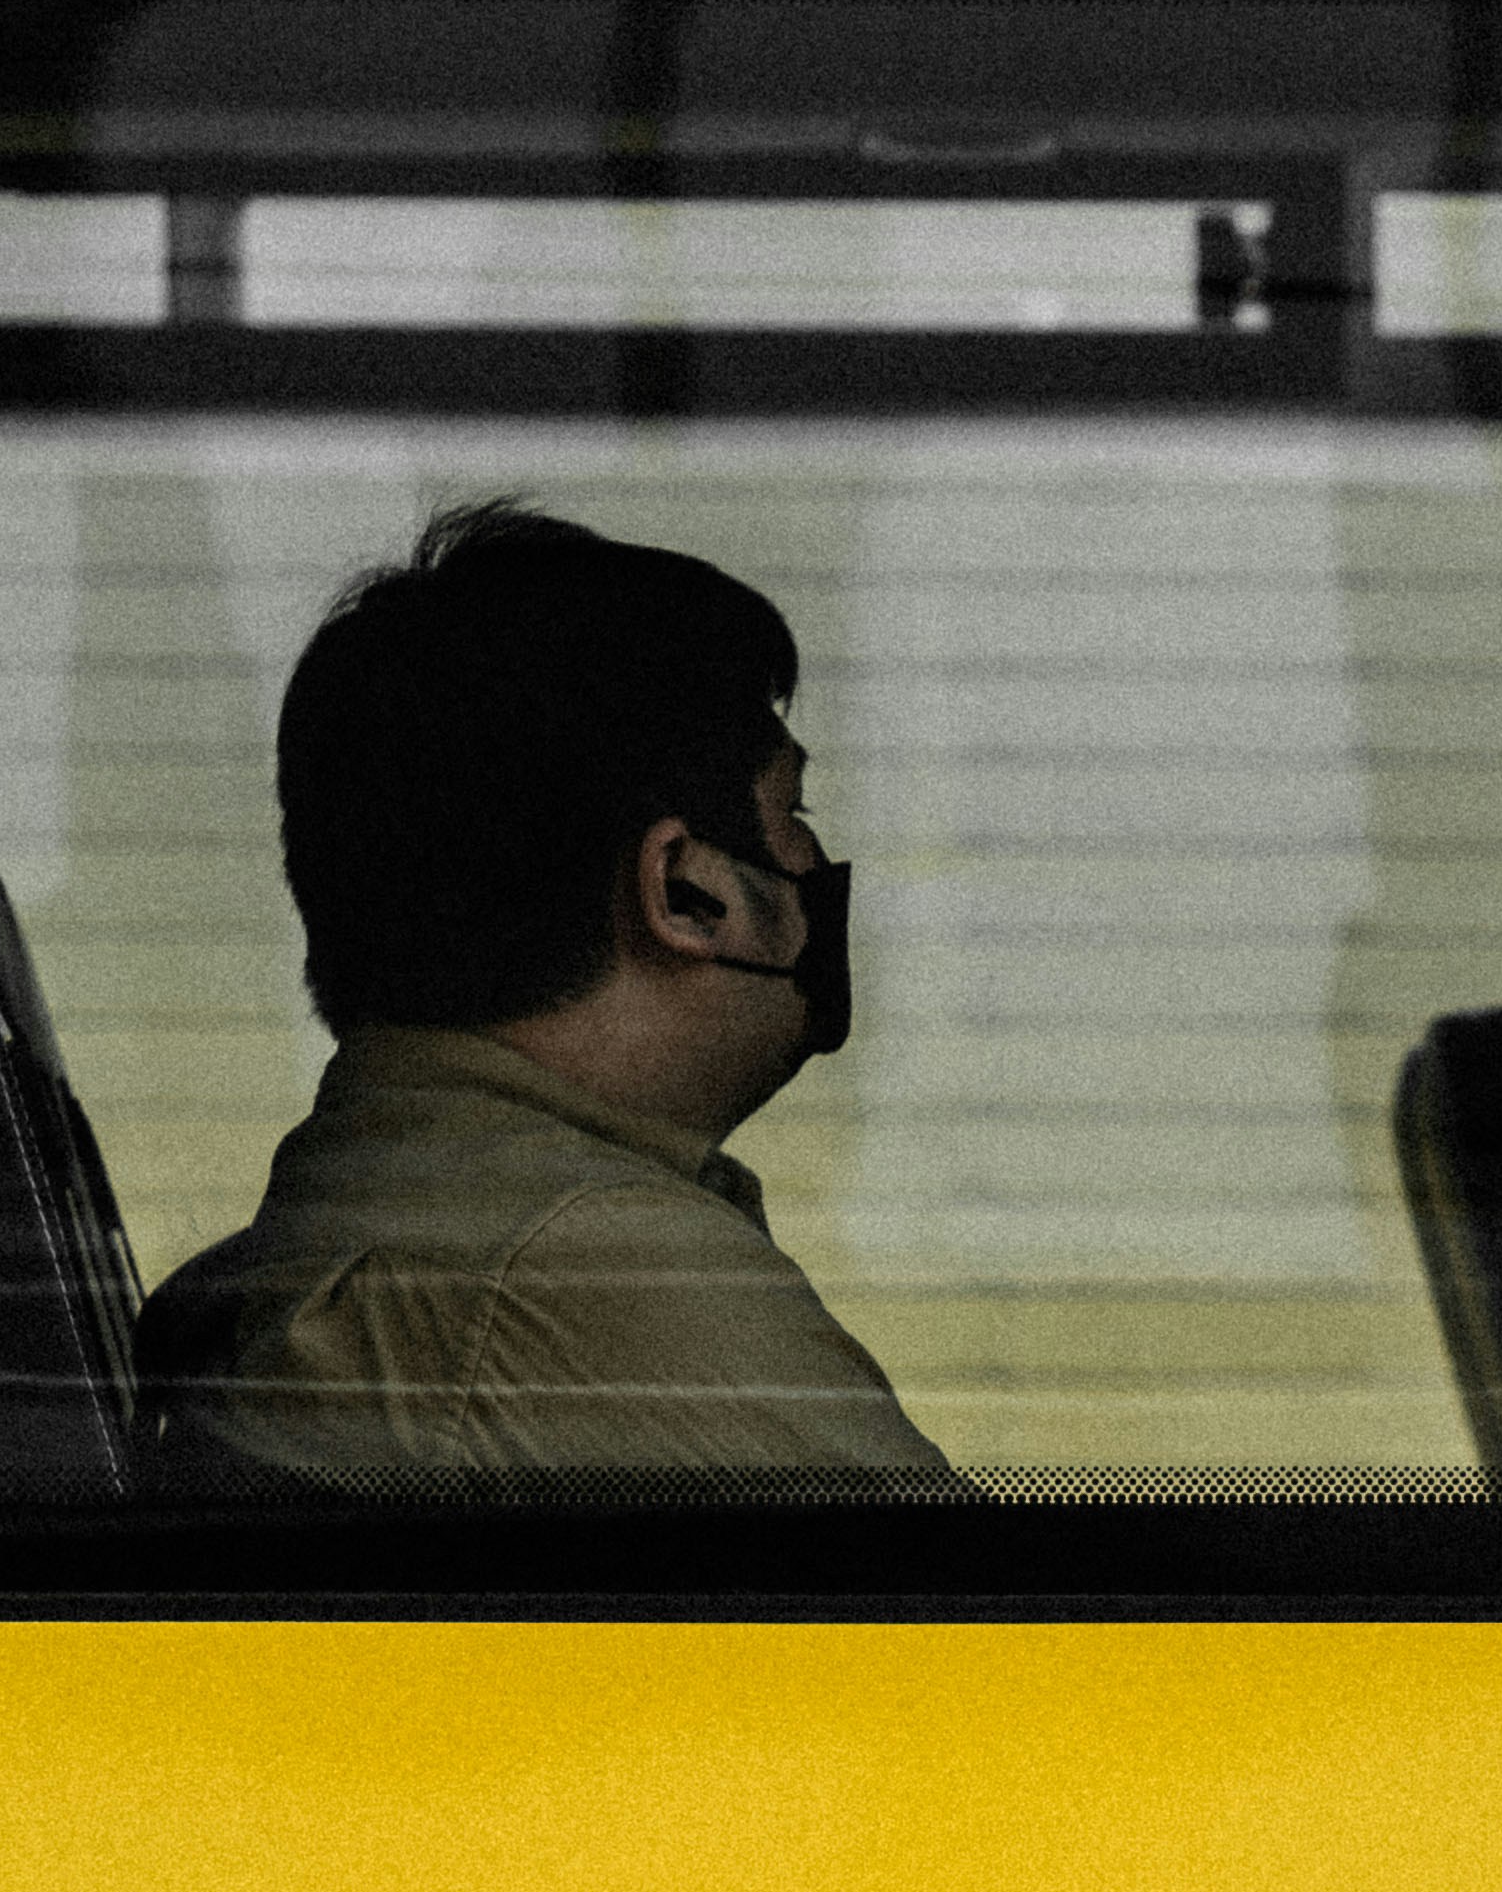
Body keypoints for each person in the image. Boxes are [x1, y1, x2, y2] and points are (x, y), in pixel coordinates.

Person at [149, 501, 972, 1496]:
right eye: (791, 814)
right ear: (685, 890)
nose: (816, 861)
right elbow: (1041, 1646)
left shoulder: (400, 1220)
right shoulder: (592, 1275)